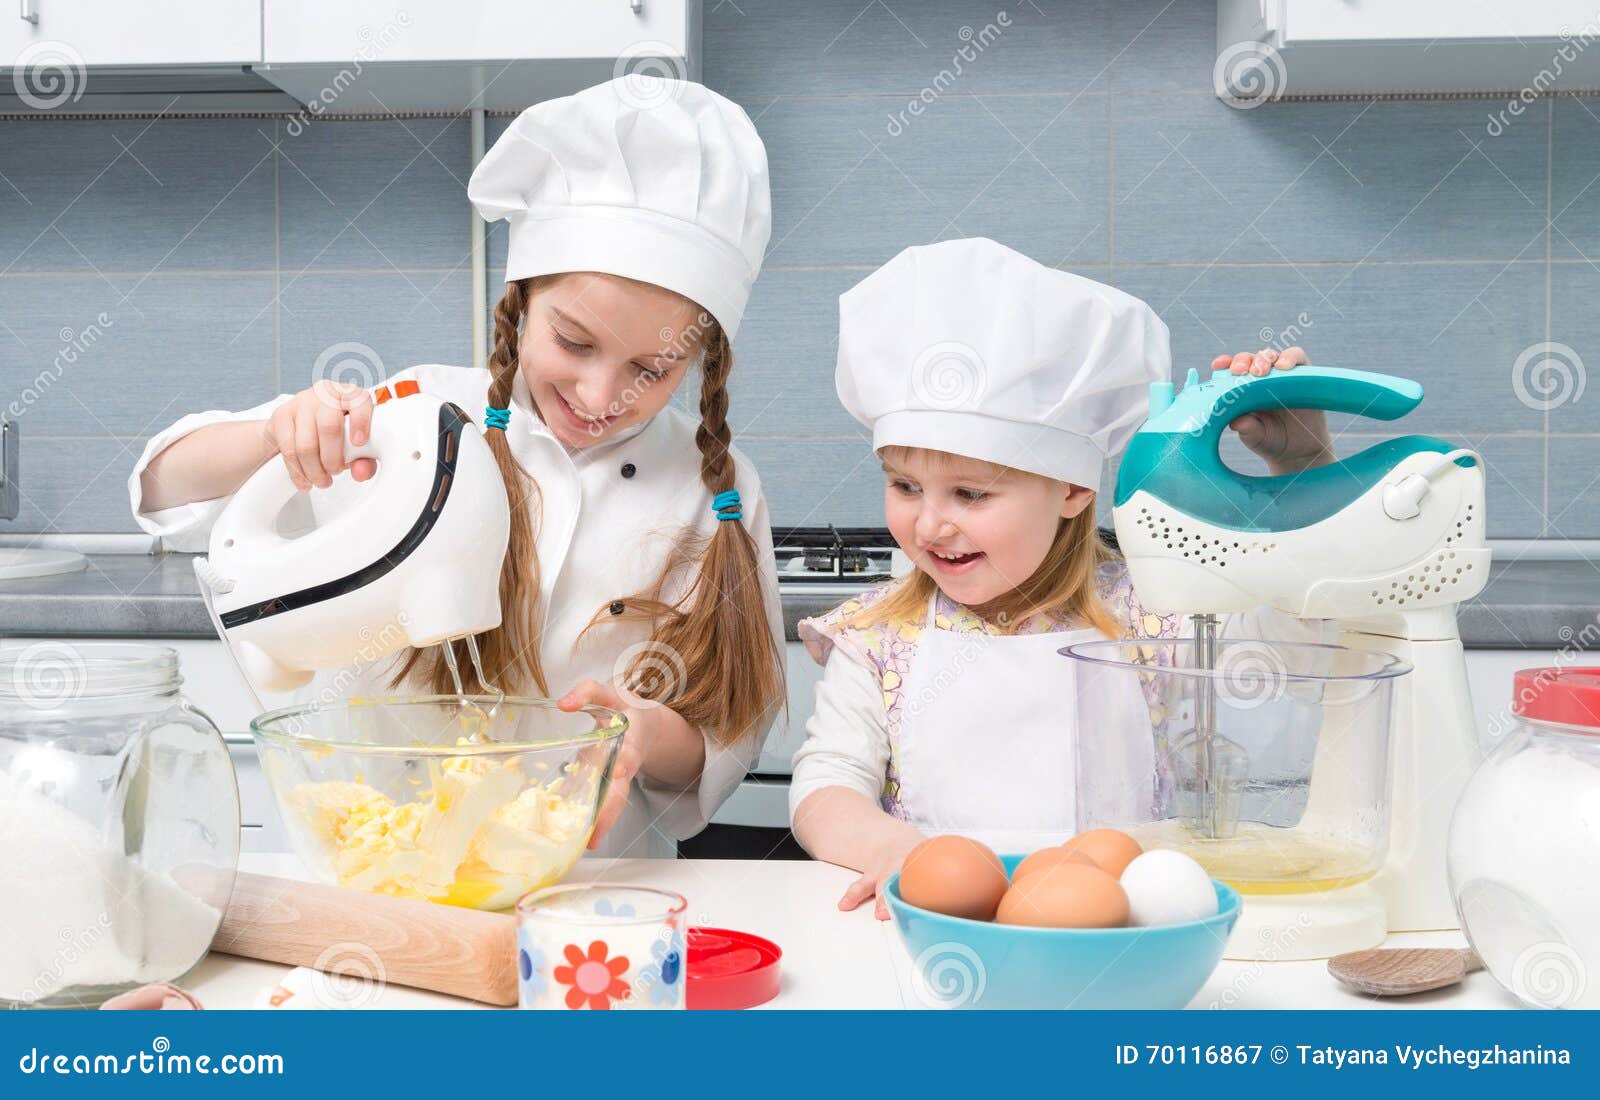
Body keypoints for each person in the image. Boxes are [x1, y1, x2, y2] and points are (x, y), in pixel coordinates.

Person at [128, 78, 785, 858]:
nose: (600, 393)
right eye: (573, 343)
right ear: (520, 301)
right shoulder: (411, 416)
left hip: (595, 895)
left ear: (700, 361)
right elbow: (165, 484)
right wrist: (280, 434)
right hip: (370, 865)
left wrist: (640, 732)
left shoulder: (717, 490)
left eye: (652, 368)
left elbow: (724, 739)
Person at [787, 238, 1331, 916]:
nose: (929, 526)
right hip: (934, 932)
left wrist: (1303, 470)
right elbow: (826, 785)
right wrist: (898, 854)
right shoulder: (877, 637)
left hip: (1121, 933)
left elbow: (1300, 652)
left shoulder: (1149, 616)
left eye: (971, 495)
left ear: (1073, 490)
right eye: (904, 485)